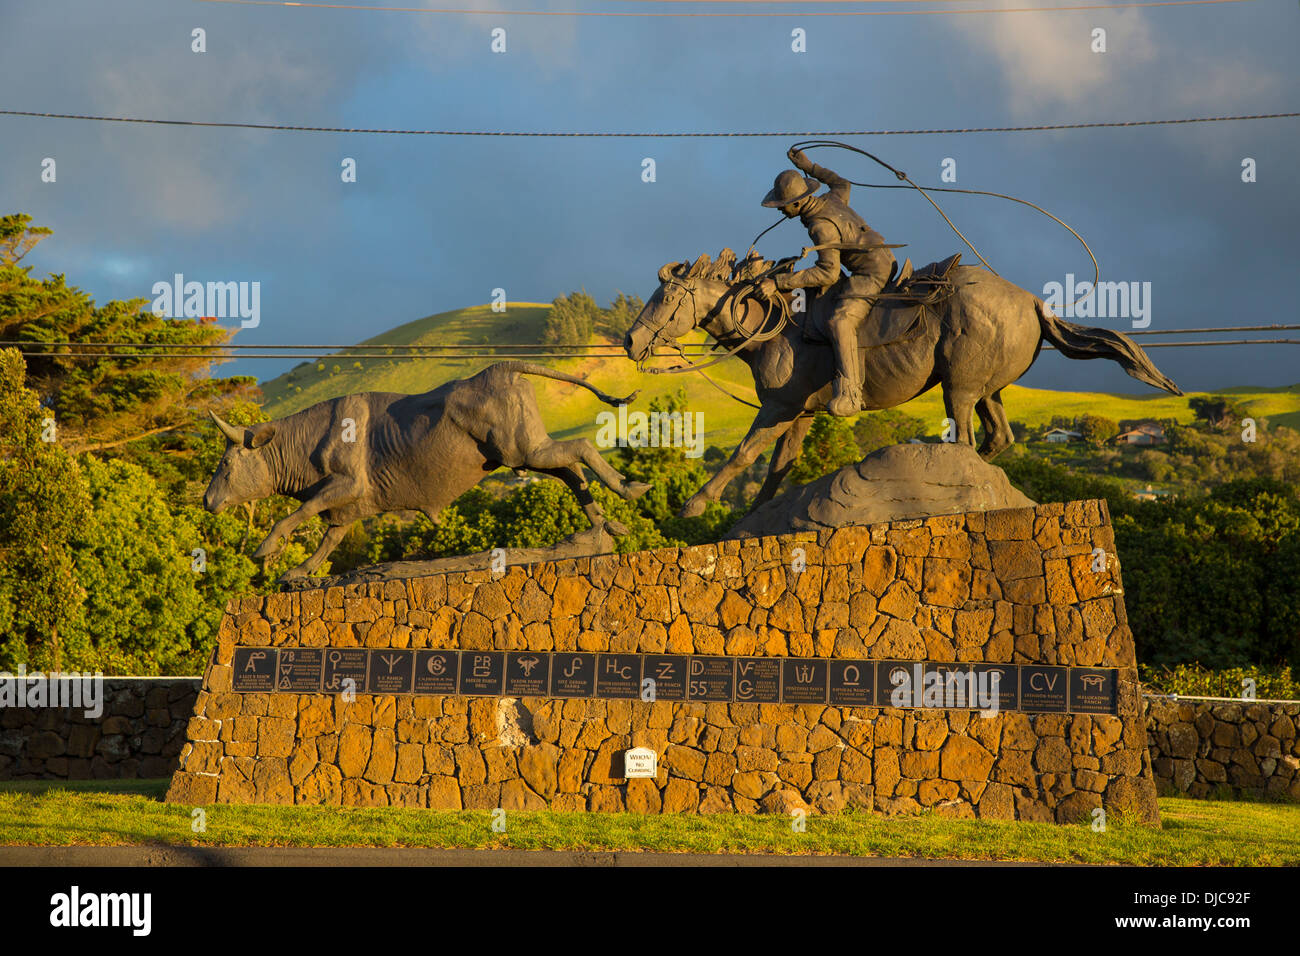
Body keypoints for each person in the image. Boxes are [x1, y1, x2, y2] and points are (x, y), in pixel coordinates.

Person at [758, 147, 896, 416]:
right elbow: (841, 183)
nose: (781, 210)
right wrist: (810, 167)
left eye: (783, 205)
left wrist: (780, 283)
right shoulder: (832, 198)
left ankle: (850, 392)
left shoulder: (819, 227)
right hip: (884, 258)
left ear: (798, 203)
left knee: (840, 321)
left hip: (870, 273)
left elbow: (828, 273)